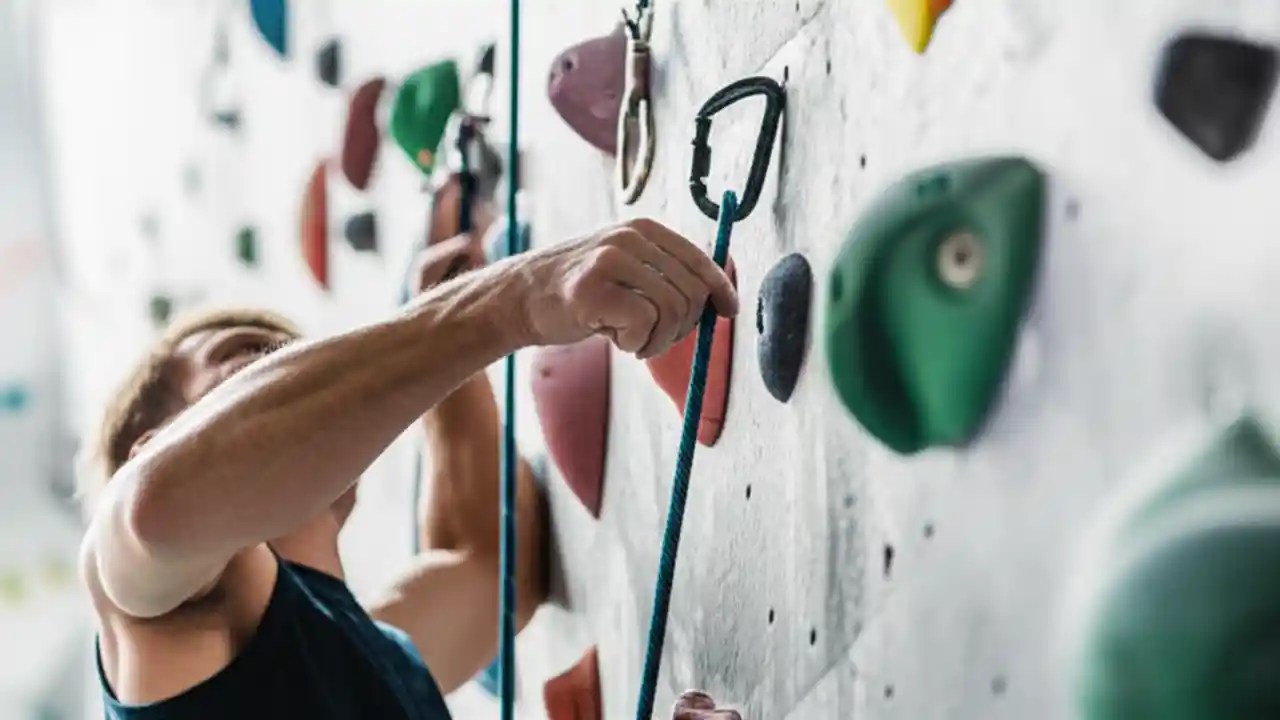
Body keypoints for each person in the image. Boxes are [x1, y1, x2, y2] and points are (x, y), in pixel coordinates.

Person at [77, 212, 745, 719]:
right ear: (150, 444)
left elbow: (489, 566)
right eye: (252, 362)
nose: (321, 396)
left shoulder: (371, 655)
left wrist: (444, 336)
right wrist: (511, 300)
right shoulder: (149, 614)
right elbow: (152, 510)